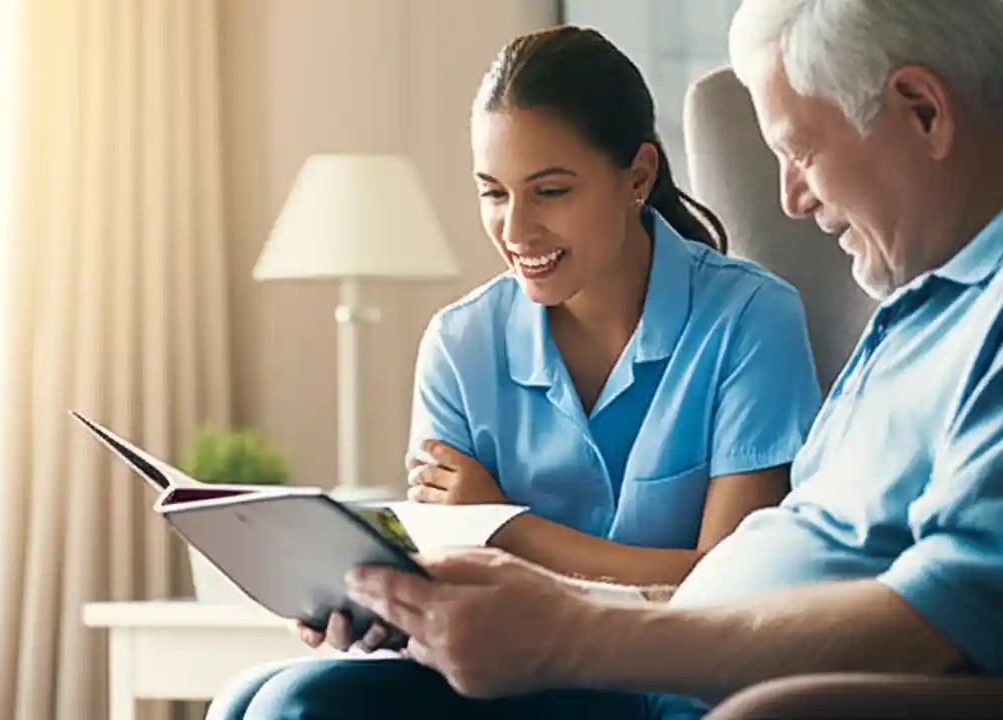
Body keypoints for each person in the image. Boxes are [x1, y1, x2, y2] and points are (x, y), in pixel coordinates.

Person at [326, 1, 1003, 718]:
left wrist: (572, 631)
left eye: (801, 153)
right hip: (660, 659)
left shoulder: (935, 321)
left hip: (710, 690)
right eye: (493, 192)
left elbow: (950, 612)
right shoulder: (915, 313)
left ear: (923, 113)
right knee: (282, 696)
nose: (790, 202)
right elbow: (795, 551)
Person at [209, 21, 822, 720]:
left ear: (639, 176)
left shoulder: (750, 319)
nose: (516, 230)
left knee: (292, 707)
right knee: (253, 700)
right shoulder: (460, 343)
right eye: (494, 193)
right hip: (510, 680)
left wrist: (505, 528)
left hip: (673, 680)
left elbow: (733, 583)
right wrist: (376, 601)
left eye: (550, 191)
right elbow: (449, 573)